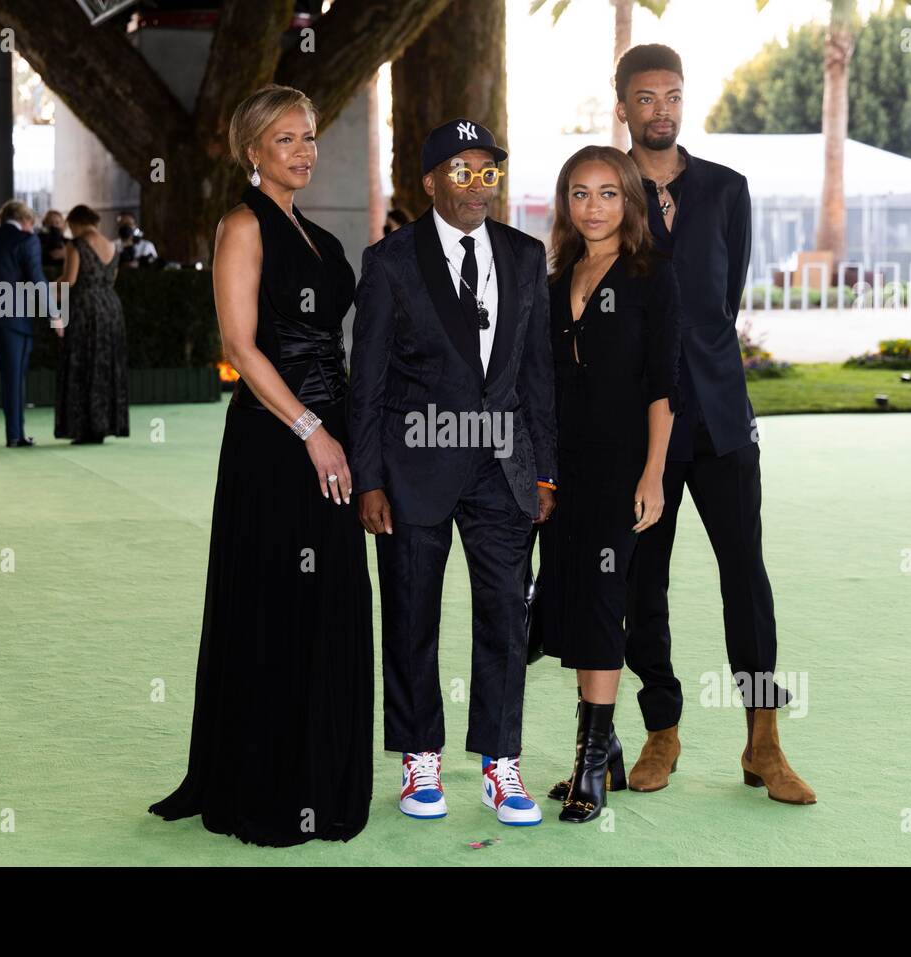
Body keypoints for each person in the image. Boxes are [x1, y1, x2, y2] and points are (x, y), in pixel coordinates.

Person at [148, 84, 372, 847]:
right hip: (278, 443)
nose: (303, 150)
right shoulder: (242, 226)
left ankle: (322, 777)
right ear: (252, 151)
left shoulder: (314, 232)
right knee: (280, 600)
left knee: (331, 598)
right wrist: (312, 429)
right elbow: (241, 348)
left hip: (331, 433)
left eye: (309, 136)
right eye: (285, 139)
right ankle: (269, 784)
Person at [614, 44, 815, 804]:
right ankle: (661, 730)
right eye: (645, 97)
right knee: (644, 582)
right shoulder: (607, 189)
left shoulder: (728, 189)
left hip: (722, 418)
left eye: (671, 95)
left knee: (747, 579)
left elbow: (720, 301)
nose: (660, 109)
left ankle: (764, 742)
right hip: (640, 430)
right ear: (624, 105)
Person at [349, 118, 556, 827]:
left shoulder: (528, 257)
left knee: (506, 613)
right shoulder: (390, 262)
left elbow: (538, 376)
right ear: (431, 181)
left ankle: (502, 764)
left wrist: (546, 471)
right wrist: (369, 477)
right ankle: (418, 755)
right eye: (460, 171)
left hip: (505, 467)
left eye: (487, 171)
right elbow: (366, 380)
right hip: (413, 468)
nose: (476, 185)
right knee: (411, 611)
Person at [537, 146, 679, 823]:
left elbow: (662, 386)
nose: (592, 206)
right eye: (579, 193)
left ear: (630, 199)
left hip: (624, 467)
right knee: (568, 601)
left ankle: (589, 763)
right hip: (565, 469)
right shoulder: (559, 273)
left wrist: (653, 472)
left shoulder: (653, 273)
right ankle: (608, 745)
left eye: (607, 193)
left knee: (600, 602)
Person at [0, 201, 50, 448]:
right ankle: (14, 435)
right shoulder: (27, 240)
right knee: (13, 376)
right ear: (26, 220)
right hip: (13, 317)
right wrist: (55, 314)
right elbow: (37, 279)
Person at [53, 205, 129, 445]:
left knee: (82, 362)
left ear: (76, 223)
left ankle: (83, 427)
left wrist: (46, 289)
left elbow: (69, 280)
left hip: (85, 307)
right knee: (106, 364)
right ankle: (103, 424)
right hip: (111, 307)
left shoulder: (75, 245)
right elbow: (111, 279)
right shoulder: (113, 246)